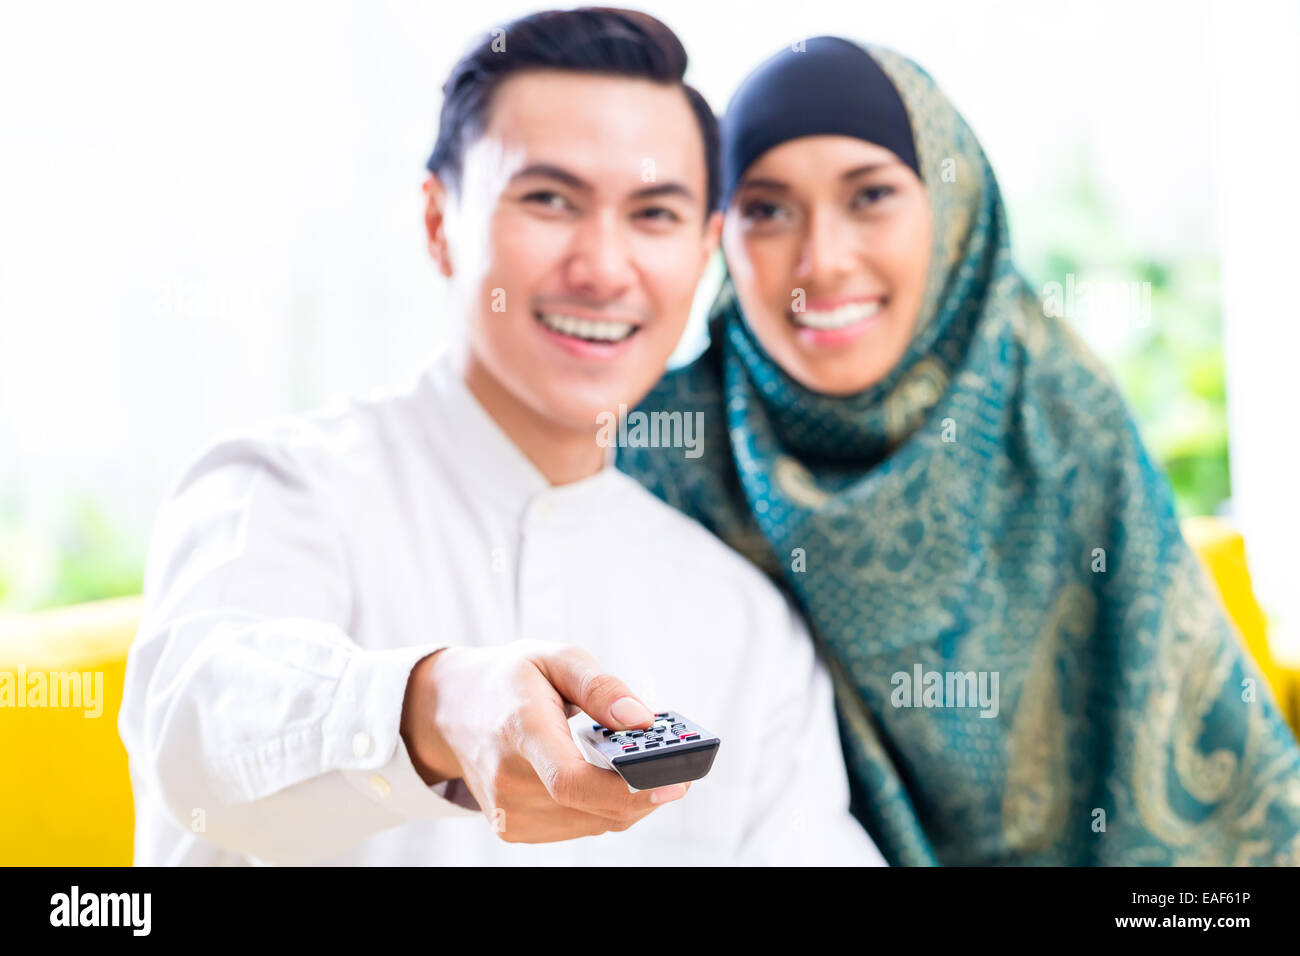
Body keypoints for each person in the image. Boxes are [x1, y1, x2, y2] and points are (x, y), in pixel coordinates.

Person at [118, 10, 885, 866]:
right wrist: (433, 707)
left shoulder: (747, 625)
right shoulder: (276, 490)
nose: (602, 267)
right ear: (440, 220)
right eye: (549, 199)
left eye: (655, 214)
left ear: (706, 248)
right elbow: (191, 729)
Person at [618, 36, 1300, 865]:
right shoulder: (656, 455)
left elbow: (1215, 778)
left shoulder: (1055, 412)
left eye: (870, 196)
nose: (822, 261)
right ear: (719, 234)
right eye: (766, 208)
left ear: (951, 210)